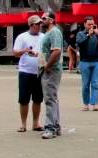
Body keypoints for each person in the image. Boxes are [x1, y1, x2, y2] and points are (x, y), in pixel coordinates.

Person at [12, 15, 44, 133]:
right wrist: (24, 51)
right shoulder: (22, 37)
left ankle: (35, 123)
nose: (39, 26)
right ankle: (23, 124)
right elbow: (15, 52)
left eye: (40, 24)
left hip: (39, 71)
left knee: (38, 99)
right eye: (37, 24)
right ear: (31, 25)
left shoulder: (44, 37)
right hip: (25, 71)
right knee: (24, 99)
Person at [39, 11, 63, 139]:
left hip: (51, 70)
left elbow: (57, 50)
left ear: (51, 20)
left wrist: (48, 66)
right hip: (47, 69)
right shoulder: (48, 33)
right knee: (52, 98)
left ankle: (50, 128)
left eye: (44, 18)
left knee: (50, 99)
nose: (41, 20)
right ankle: (56, 126)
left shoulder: (54, 32)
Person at [76, 16, 98, 112]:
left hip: (96, 61)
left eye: (92, 24)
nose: (91, 26)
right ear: (84, 24)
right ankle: (86, 104)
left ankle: (95, 104)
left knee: (95, 84)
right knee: (85, 85)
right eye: (89, 24)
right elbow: (80, 44)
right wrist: (88, 35)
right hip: (84, 61)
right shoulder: (80, 34)